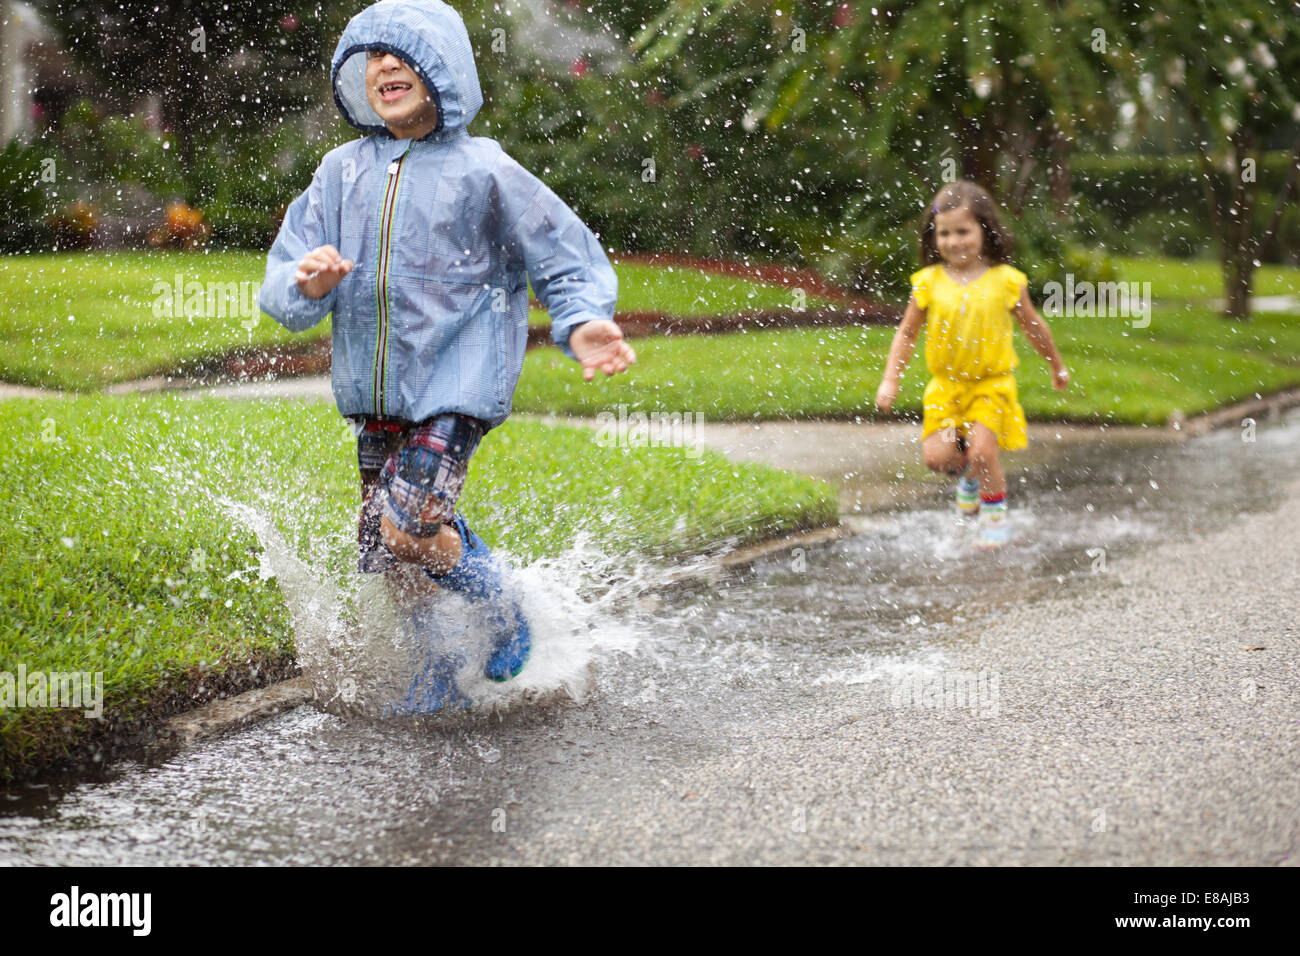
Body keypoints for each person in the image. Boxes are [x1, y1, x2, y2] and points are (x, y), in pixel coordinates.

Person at [257, 0, 635, 701]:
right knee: (387, 549)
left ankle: (499, 605)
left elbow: (562, 253)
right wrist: (305, 284)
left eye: (405, 53)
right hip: (375, 397)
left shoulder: (483, 169)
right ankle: (436, 670)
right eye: (371, 56)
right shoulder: (341, 173)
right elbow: (282, 278)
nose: (386, 65)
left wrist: (581, 321)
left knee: (407, 529)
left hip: (457, 385)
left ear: (446, 72)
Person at [874, 180, 1069, 548]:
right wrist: (890, 381)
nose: (953, 241)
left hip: (991, 385)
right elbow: (906, 334)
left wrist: (1055, 365)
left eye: (963, 231)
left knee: (982, 450)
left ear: (985, 230)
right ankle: (967, 475)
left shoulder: (1006, 281)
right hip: (946, 389)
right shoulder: (928, 282)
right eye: (944, 233)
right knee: (939, 457)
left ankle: (994, 518)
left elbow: (1033, 326)